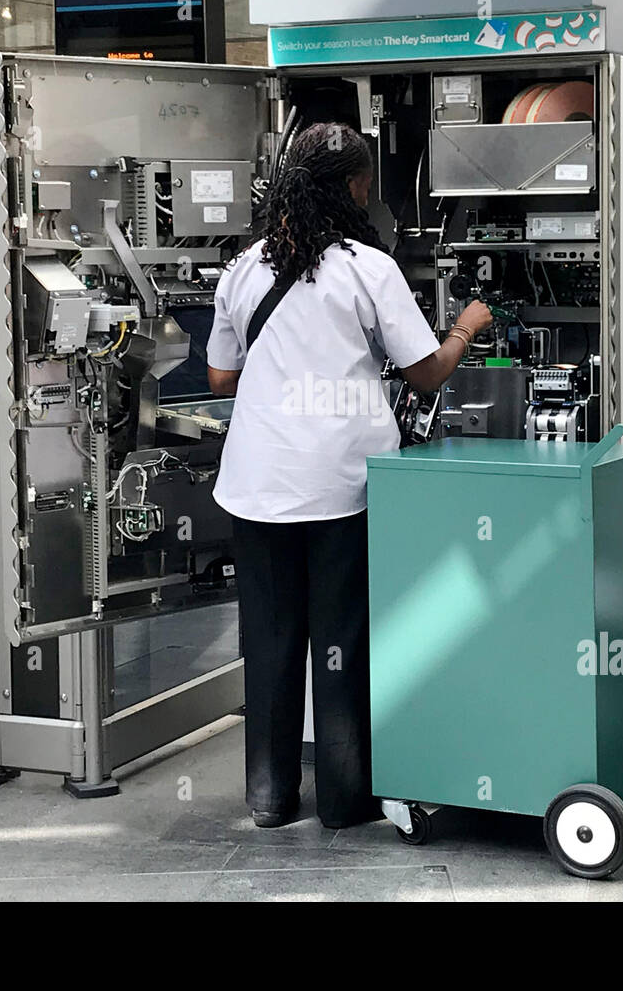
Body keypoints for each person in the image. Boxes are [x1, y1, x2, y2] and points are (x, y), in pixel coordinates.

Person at [206, 121, 493, 829]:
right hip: (340, 489)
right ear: (359, 186)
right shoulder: (367, 267)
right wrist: (467, 326)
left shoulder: (245, 268)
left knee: (270, 643)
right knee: (341, 643)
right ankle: (343, 800)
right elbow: (426, 374)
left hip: (255, 488)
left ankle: (270, 798)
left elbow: (219, 374)